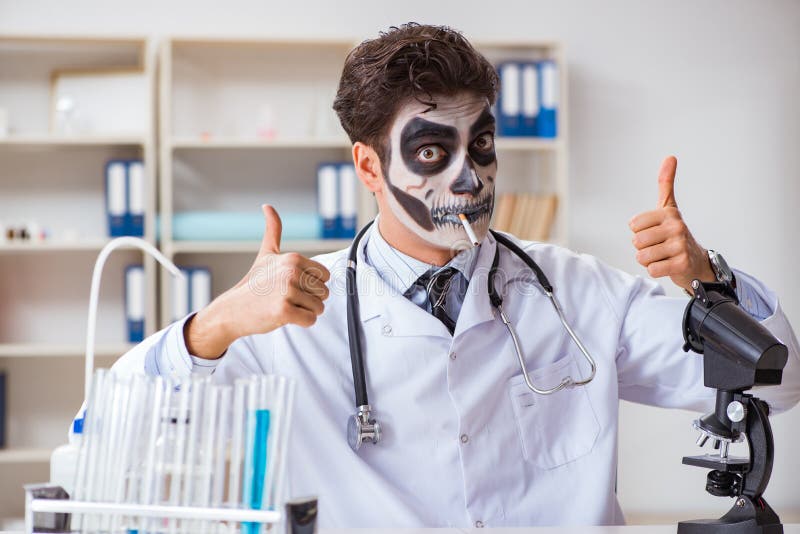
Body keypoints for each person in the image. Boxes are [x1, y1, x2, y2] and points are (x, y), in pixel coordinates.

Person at [108, 23, 800, 528]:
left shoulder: (577, 292)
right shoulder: (286, 314)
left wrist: (707, 278)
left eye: (484, 145)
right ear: (370, 167)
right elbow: (117, 434)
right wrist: (218, 323)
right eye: (434, 150)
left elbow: (782, 380)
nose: (471, 177)